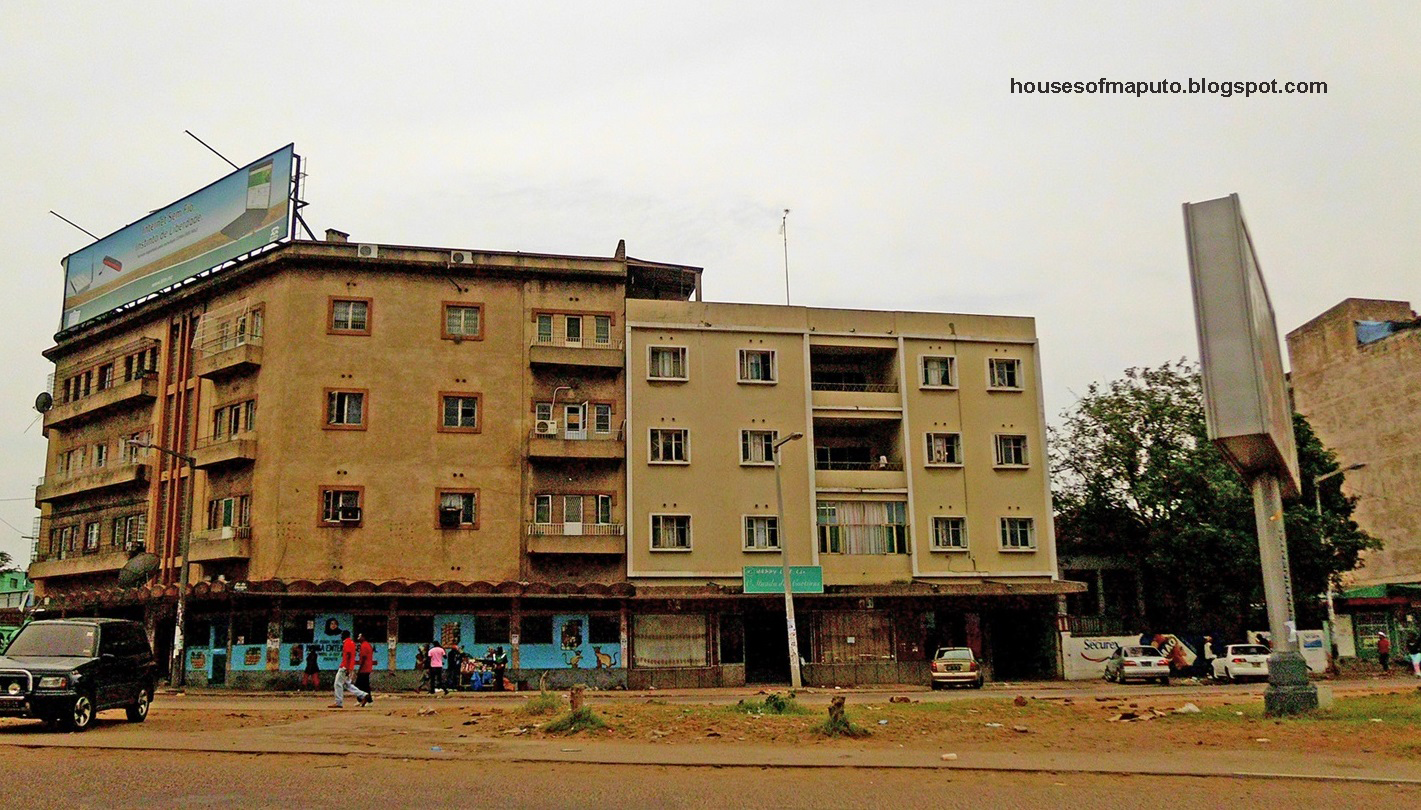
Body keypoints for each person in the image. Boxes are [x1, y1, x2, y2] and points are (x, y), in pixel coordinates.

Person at [330, 630, 370, 708]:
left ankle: (338, 702)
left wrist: (348, 668)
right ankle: (363, 695)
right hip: (348, 667)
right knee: (348, 685)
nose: (341, 637)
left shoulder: (347, 643)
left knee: (337, 684)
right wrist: (351, 668)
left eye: (342, 635)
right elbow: (352, 656)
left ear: (344, 636)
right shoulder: (351, 643)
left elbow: (348, 656)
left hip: (344, 667)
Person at [355, 632, 376, 703]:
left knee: (361, 685)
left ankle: (368, 700)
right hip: (367, 668)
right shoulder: (367, 645)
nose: (358, 637)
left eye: (360, 636)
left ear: (363, 637)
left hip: (364, 669)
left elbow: (363, 658)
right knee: (362, 685)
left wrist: (360, 669)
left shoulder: (364, 646)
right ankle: (361, 699)